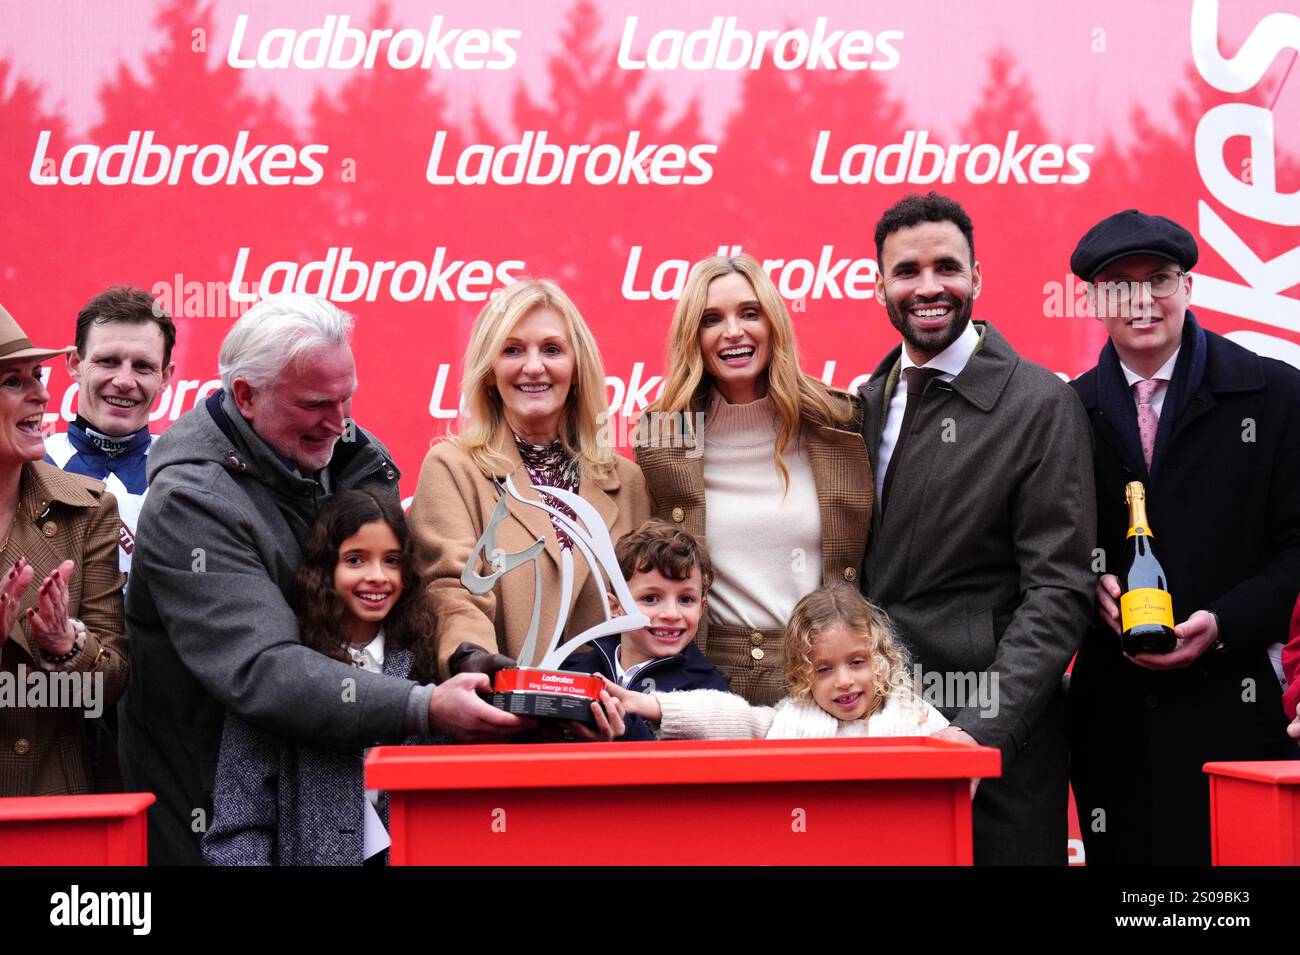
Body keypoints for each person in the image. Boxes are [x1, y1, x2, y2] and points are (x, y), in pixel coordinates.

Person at [120, 293, 530, 866]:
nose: (339, 424)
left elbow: (406, 609)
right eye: (316, 404)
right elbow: (265, 671)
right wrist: (425, 706)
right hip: (214, 804)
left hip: (343, 795)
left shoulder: (353, 459)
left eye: (347, 399)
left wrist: (462, 655)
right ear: (246, 396)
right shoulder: (190, 503)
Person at [856, 192, 1095, 865]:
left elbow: (1059, 592)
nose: (928, 286)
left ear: (977, 278)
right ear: (879, 286)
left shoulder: (1040, 404)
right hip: (877, 728)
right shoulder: (866, 402)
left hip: (997, 752)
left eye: (946, 267)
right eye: (906, 271)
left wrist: (981, 730)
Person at [1066, 209, 1300, 865]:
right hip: (1114, 723)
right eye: (1119, 285)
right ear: (1093, 300)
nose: (1142, 301)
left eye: (1159, 279)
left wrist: (1223, 622)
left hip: (1241, 711)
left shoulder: (1276, 396)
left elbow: (1296, 552)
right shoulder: (1063, 411)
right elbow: (1042, 551)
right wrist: (1088, 586)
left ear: (1189, 287)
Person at [636, 255, 873, 706]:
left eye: (750, 313)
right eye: (712, 319)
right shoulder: (661, 437)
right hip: (707, 675)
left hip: (822, 674)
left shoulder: (838, 422)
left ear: (774, 324)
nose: (733, 332)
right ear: (694, 336)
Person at [408, 279, 649, 680]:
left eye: (552, 349)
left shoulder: (629, 482)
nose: (533, 366)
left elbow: (651, 605)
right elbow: (451, 589)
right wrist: (476, 664)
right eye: (512, 350)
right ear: (489, 373)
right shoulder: (452, 468)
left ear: (576, 370)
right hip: (500, 716)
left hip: (612, 725)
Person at [0, 303, 127, 796]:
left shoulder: (87, 508)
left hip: (54, 807)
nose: (42, 392)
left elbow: (109, 688)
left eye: (37, 374)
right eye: (13, 381)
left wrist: (67, 647)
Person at [607, 584, 947, 739]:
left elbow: (958, 760)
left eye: (856, 662)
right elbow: (729, 714)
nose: (843, 681)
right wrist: (652, 704)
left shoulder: (916, 718)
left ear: (880, 659)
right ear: (803, 675)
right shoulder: (789, 721)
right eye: (824, 669)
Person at [44, 286, 176, 575]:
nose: (124, 381)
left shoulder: (185, 472)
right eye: (108, 361)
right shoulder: (30, 467)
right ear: (75, 364)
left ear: (165, 376)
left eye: (142, 366)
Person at [560, 519, 731, 739]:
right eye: (650, 598)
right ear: (615, 607)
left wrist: (626, 732)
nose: (671, 613)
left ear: (701, 608)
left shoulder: (711, 693)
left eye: (686, 599)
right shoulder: (571, 671)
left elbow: (696, 769)